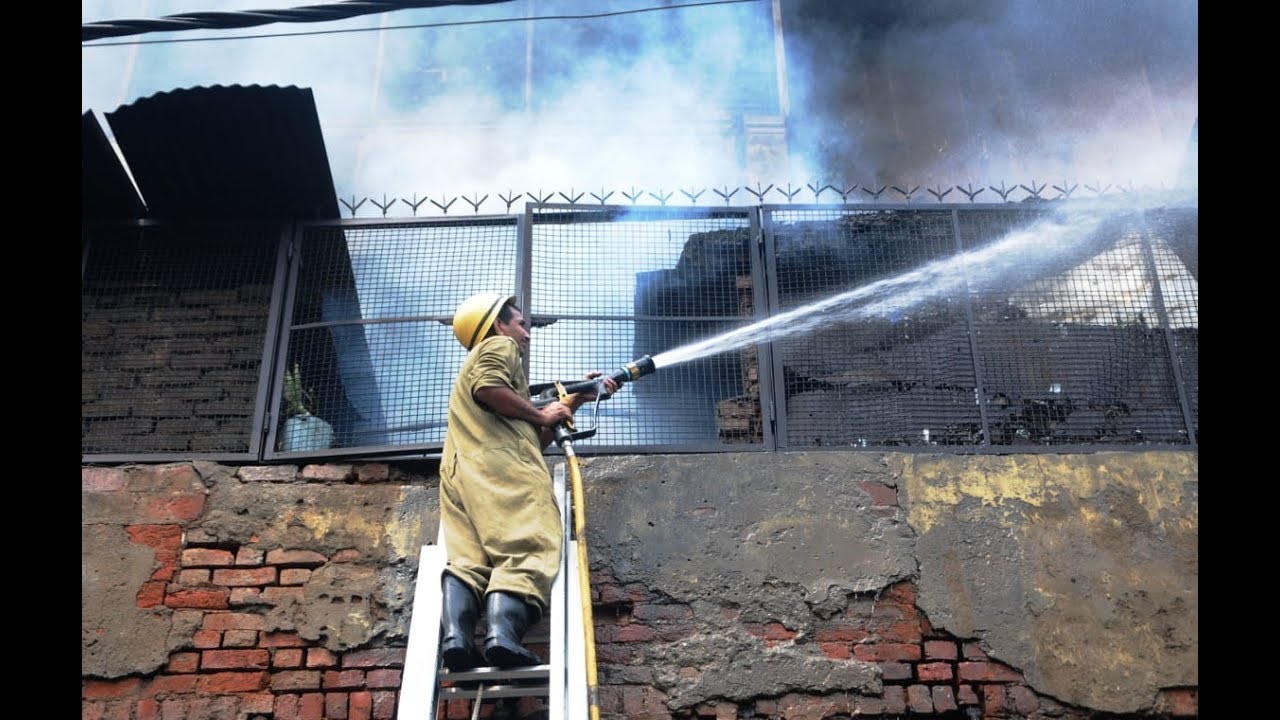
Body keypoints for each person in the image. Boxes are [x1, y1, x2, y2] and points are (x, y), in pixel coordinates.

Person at [438, 292, 620, 670]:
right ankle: (502, 637)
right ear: (498, 324)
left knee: (469, 561)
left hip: (462, 476)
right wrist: (540, 415)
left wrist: (574, 401)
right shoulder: (499, 347)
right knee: (529, 545)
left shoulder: (481, 386)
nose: (526, 334)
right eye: (521, 324)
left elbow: (529, 441)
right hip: (501, 472)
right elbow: (489, 387)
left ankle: (458, 639)